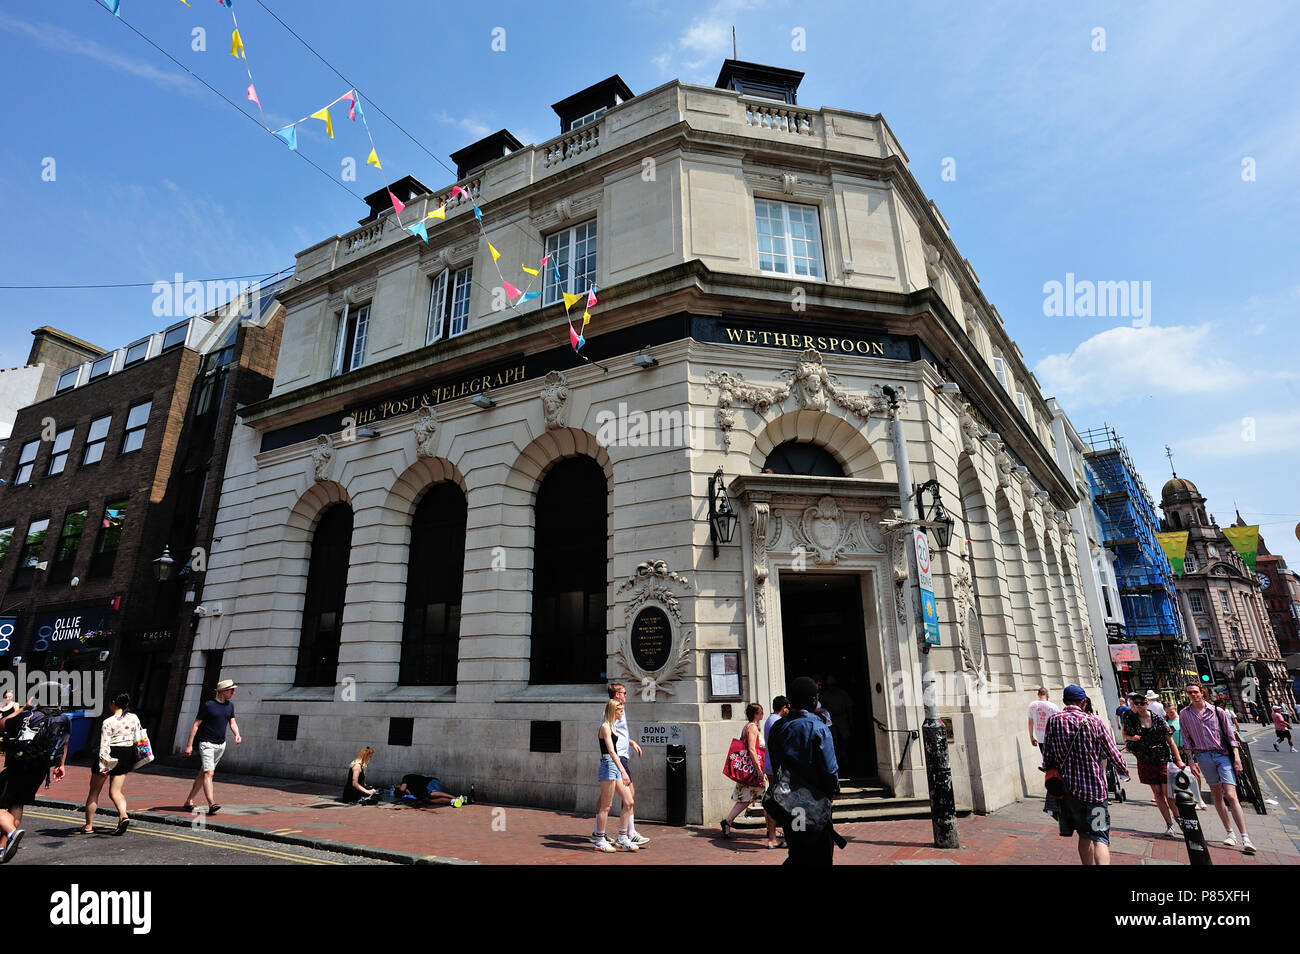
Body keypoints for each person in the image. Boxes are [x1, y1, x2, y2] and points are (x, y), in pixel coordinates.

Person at [1041, 685, 1130, 866]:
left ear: (1065, 701)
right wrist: (1124, 772)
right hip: (1095, 792)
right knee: (1100, 836)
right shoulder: (1094, 722)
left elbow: (1047, 755)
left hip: (1069, 793)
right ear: (1083, 701)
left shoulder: (1053, 721)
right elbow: (1113, 753)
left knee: (1083, 835)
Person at [767, 676, 840, 866]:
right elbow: (829, 768)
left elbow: (775, 763)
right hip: (814, 803)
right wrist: (832, 792)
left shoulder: (778, 727)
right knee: (820, 855)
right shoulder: (818, 727)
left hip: (789, 802)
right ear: (814, 700)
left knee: (797, 852)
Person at [1179, 682, 1255, 854]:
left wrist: (1236, 758)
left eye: (1196, 692)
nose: (1193, 695)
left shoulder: (1217, 711)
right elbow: (1186, 738)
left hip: (1221, 755)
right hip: (1203, 756)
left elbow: (1230, 735)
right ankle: (1229, 833)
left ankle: (1245, 837)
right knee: (1216, 794)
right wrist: (1191, 761)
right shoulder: (1184, 714)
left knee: (1230, 794)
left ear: (1202, 692)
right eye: (1190, 693)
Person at [0, 699, 70, 863]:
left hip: (17, 766)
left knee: (3, 805)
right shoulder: (64, 719)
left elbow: (2, 724)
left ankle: (11, 833)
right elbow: (64, 742)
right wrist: (61, 765)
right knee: (17, 804)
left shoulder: (29, 715)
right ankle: (2, 847)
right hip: (40, 769)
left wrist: (23, 708)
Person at [1121, 692, 1184, 837]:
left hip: (1161, 757)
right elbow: (1125, 736)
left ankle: (1178, 818)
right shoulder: (1130, 719)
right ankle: (1169, 825)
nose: (1139, 706)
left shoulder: (1158, 719)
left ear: (1147, 703)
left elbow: (1171, 741)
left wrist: (1179, 760)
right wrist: (1132, 738)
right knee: (1157, 793)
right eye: (1136, 704)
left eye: (1142, 703)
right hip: (1144, 759)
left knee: (1168, 794)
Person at [82, 693, 141, 835]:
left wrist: (103, 766)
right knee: (116, 791)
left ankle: (88, 826)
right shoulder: (133, 718)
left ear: (113, 702)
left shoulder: (109, 722)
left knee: (94, 792)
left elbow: (104, 745)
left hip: (110, 754)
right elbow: (138, 737)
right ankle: (123, 815)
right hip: (126, 754)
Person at [182, 678, 241, 816]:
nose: (233, 693)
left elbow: (232, 722)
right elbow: (196, 724)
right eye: (231, 690)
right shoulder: (208, 705)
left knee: (203, 773)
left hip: (221, 745)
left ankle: (189, 801)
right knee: (210, 773)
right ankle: (211, 803)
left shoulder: (230, 706)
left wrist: (237, 734)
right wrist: (189, 745)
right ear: (223, 692)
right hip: (207, 744)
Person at [606, 683, 648, 847]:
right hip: (618, 757)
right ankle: (628, 833)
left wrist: (630, 742)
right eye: (624, 692)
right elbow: (608, 732)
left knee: (611, 798)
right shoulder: (613, 710)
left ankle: (604, 832)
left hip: (622, 755)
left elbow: (618, 733)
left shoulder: (619, 709)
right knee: (627, 795)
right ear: (617, 695)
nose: (626, 694)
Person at [592, 699, 637, 852]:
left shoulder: (612, 726)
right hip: (608, 765)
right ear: (613, 711)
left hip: (615, 766)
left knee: (628, 801)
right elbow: (611, 751)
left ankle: (623, 837)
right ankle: (599, 838)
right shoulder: (605, 727)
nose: (622, 713)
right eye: (620, 710)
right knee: (606, 805)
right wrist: (623, 771)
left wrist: (631, 742)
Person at [721, 702, 766, 838]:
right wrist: (758, 769)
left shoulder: (750, 727)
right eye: (761, 712)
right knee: (765, 799)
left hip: (749, 769)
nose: (763, 715)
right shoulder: (752, 727)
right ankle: (772, 832)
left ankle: (728, 822)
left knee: (749, 799)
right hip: (752, 770)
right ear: (757, 714)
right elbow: (752, 749)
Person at [1168, 704, 1209, 811]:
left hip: (1188, 749)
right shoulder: (1166, 722)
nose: (1169, 714)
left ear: (1175, 709)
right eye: (1167, 712)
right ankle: (1188, 797)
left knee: (1195, 773)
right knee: (1178, 776)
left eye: (1171, 712)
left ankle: (1199, 798)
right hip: (1175, 751)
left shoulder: (1182, 720)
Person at [762, 695, 790, 849]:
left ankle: (772, 835)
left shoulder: (770, 720)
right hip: (776, 766)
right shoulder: (777, 722)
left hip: (770, 765)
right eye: (788, 707)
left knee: (774, 800)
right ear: (784, 707)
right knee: (779, 802)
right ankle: (773, 838)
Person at [1027, 687, 1060, 769]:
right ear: (1047, 694)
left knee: (1047, 762)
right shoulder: (1053, 706)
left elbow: (1030, 723)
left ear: (1038, 695)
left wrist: (1031, 737)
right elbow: (1059, 722)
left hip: (1040, 738)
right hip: (1053, 739)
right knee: (1057, 762)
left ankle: (1047, 770)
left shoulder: (1032, 706)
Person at [395, 773, 468, 807]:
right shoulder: (412, 791)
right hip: (429, 789)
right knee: (429, 800)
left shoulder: (406, 777)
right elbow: (407, 792)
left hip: (432, 782)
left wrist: (397, 787)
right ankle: (454, 801)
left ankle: (456, 797)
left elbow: (402, 789)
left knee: (431, 794)